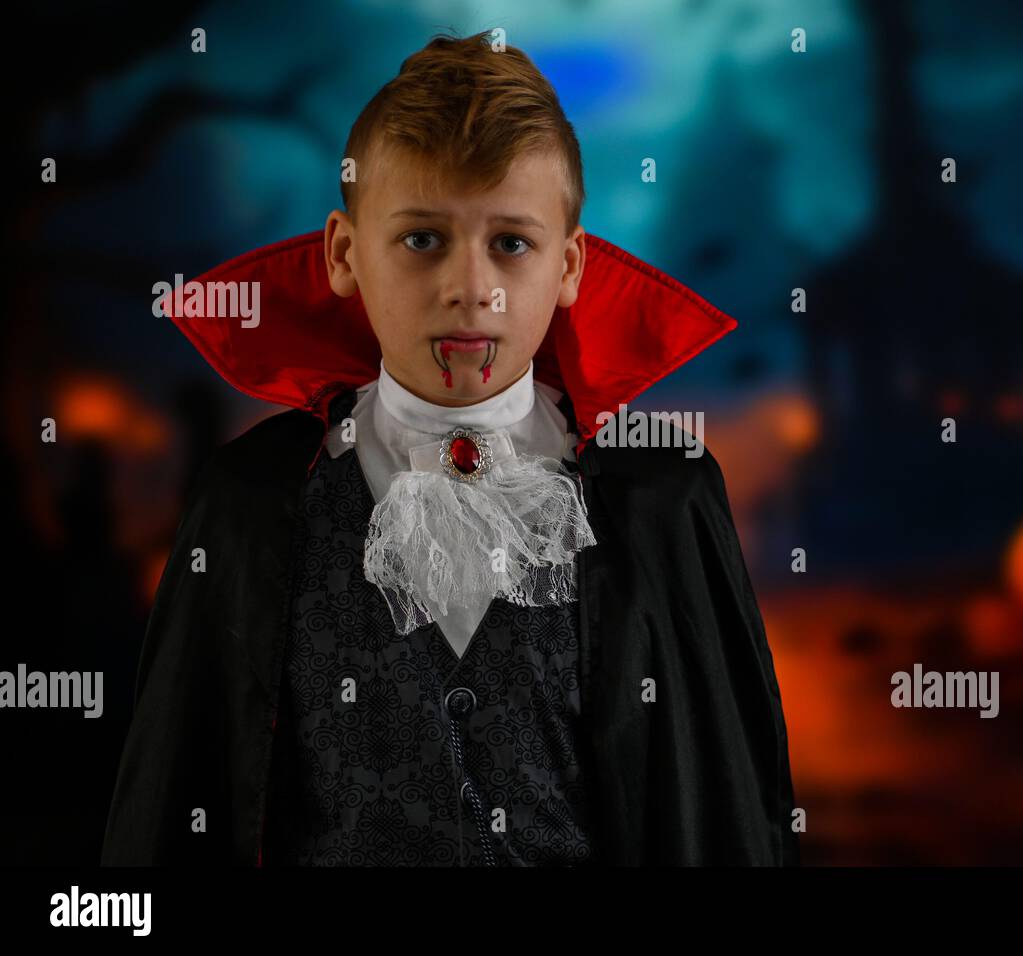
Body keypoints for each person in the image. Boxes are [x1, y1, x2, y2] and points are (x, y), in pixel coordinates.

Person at [101, 30, 798, 866]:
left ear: (571, 265)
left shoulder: (667, 500)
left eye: (511, 241)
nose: (471, 286)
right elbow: (170, 810)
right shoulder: (248, 499)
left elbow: (725, 808)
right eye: (424, 238)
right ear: (343, 254)